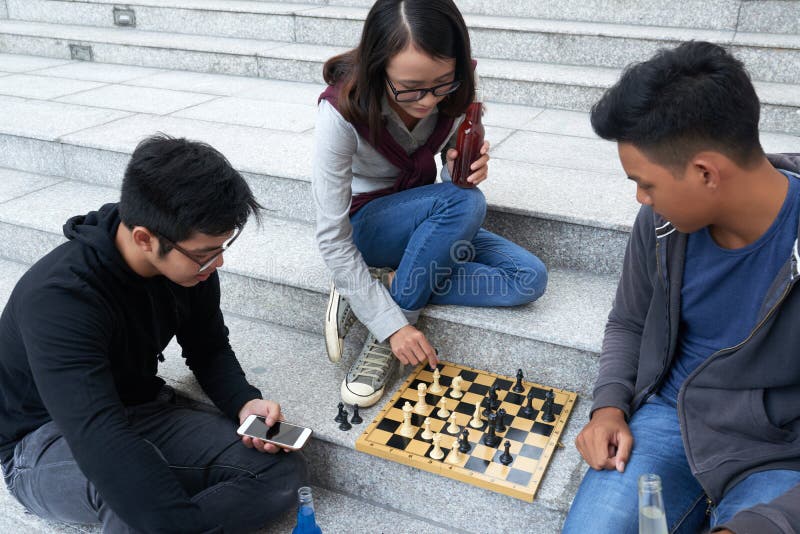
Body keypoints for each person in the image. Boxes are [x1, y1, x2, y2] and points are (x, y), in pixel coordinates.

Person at [0, 135, 308, 533]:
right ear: (145, 239)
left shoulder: (190, 268)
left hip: (140, 410)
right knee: (131, 492)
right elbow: (98, 436)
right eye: (205, 253)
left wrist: (244, 401)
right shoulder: (61, 299)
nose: (217, 262)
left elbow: (209, 348)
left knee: (279, 470)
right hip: (44, 440)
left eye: (221, 247)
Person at [562, 41, 800, 534]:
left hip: (782, 455)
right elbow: (628, 321)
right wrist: (609, 406)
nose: (640, 197)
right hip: (671, 417)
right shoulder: (660, 224)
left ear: (706, 172)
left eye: (646, 183)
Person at [313, 0, 547, 408]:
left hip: (427, 223)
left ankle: (384, 284)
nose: (427, 102)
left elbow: (449, 179)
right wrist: (393, 325)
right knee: (465, 203)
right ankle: (391, 326)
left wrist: (461, 166)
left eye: (442, 84)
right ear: (377, 68)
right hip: (370, 227)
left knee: (527, 278)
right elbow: (332, 237)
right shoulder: (340, 112)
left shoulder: (457, 91)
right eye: (410, 88)